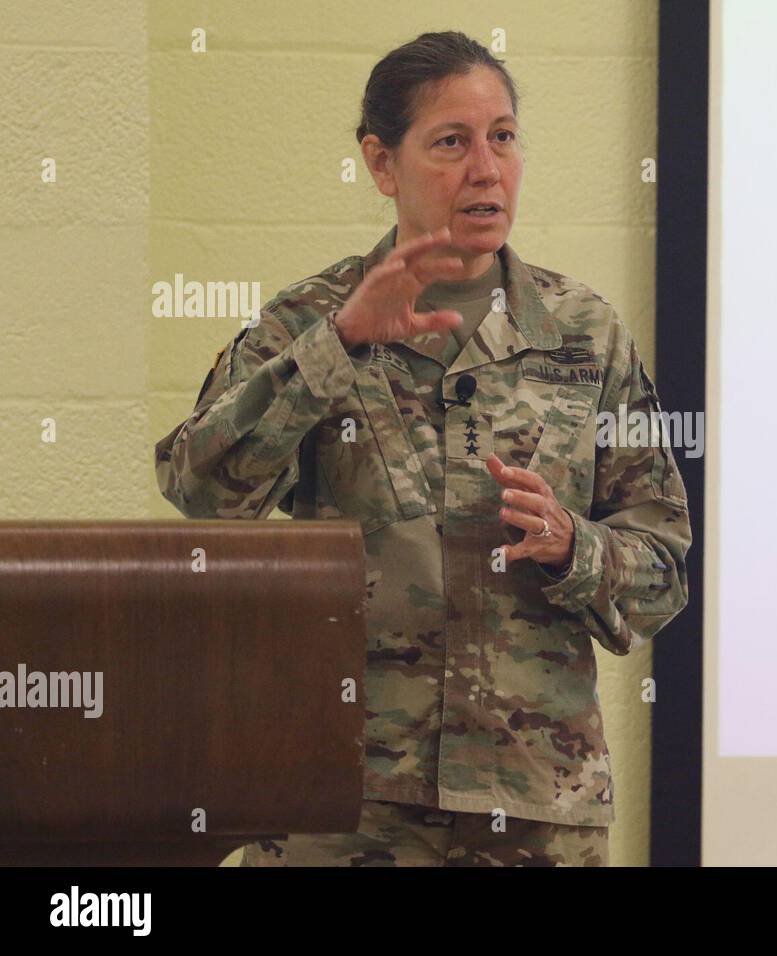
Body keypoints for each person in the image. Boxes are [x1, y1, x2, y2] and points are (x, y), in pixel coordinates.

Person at [153, 31, 691, 867]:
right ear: (380, 162)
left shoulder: (587, 335)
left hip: (537, 804)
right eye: (452, 142)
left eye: (503, 137)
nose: (487, 168)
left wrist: (574, 545)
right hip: (342, 800)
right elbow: (199, 488)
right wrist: (335, 348)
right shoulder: (308, 320)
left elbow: (665, 571)